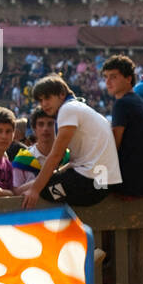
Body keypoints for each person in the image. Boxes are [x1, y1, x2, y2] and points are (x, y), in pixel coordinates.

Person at [23, 75, 121, 208]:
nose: (44, 104)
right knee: (51, 179)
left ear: (62, 94)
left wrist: (34, 190)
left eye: (47, 98)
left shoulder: (67, 109)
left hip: (91, 185)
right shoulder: (80, 108)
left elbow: (56, 155)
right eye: (40, 100)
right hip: (103, 183)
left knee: (43, 190)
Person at [101, 55, 143, 197]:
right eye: (105, 77)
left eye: (113, 77)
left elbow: (113, 147)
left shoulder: (122, 104)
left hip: (131, 184)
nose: (108, 82)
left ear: (129, 78)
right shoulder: (138, 100)